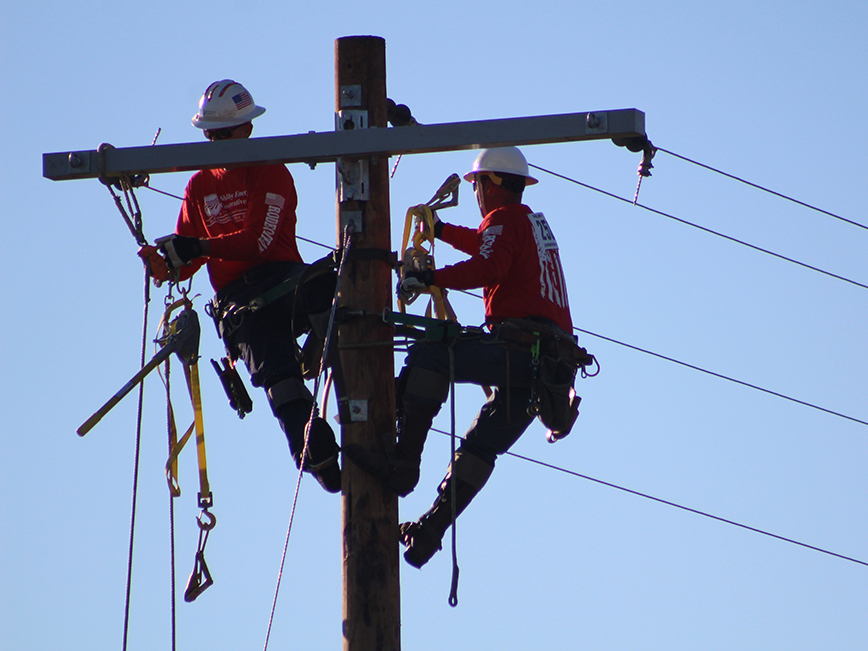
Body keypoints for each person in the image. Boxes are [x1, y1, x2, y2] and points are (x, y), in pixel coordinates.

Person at [345, 146, 575, 567]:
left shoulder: (506, 220)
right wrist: (441, 230)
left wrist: (431, 276)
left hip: (521, 351)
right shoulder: (531, 224)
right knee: (480, 447)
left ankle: (403, 464)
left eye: (477, 185)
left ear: (492, 184)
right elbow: (489, 248)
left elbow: (488, 267)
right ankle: (429, 533)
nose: (475, 193)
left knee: (431, 352)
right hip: (545, 370)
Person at [146, 79, 341, 493]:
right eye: (210, 135)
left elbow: (260, 241)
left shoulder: (269, 170)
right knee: (279, 380)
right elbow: (187, 263)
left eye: (224, 133)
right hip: (239, 305)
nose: (216, 142)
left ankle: (348, 377)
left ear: (247, 129)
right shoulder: (199, 186)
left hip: (283, 280)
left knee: (328, 283)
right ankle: (319, 456)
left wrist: (192, 245)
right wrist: (164, 265)